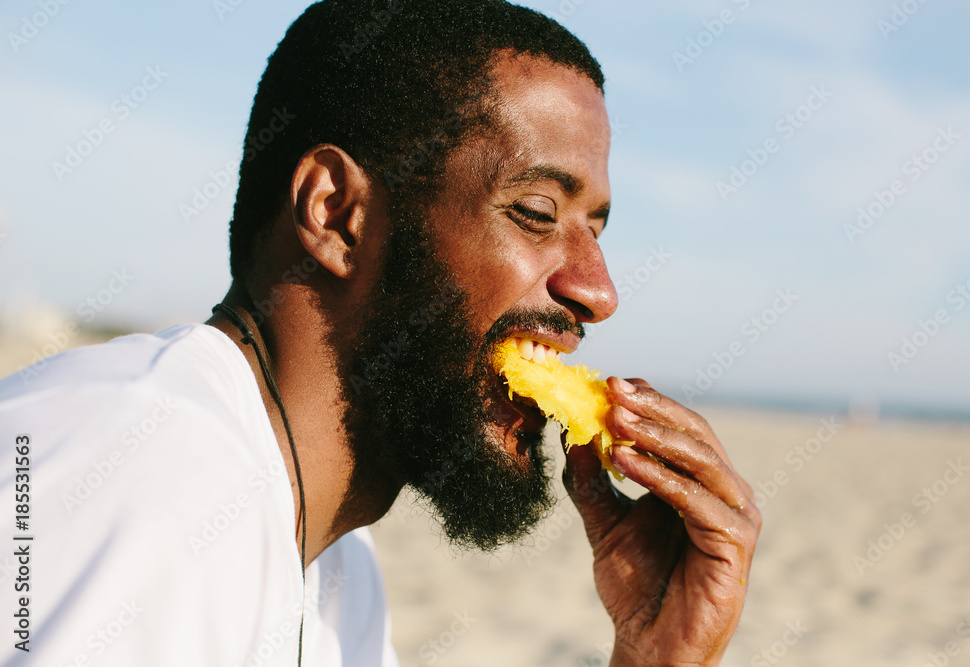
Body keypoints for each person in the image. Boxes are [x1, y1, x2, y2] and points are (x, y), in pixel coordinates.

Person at [0, 1, 761, 665]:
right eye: (536, 212)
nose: (598, 291)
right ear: (336, 214)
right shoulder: (139, 469)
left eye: (594, 231)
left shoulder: (338, 570)